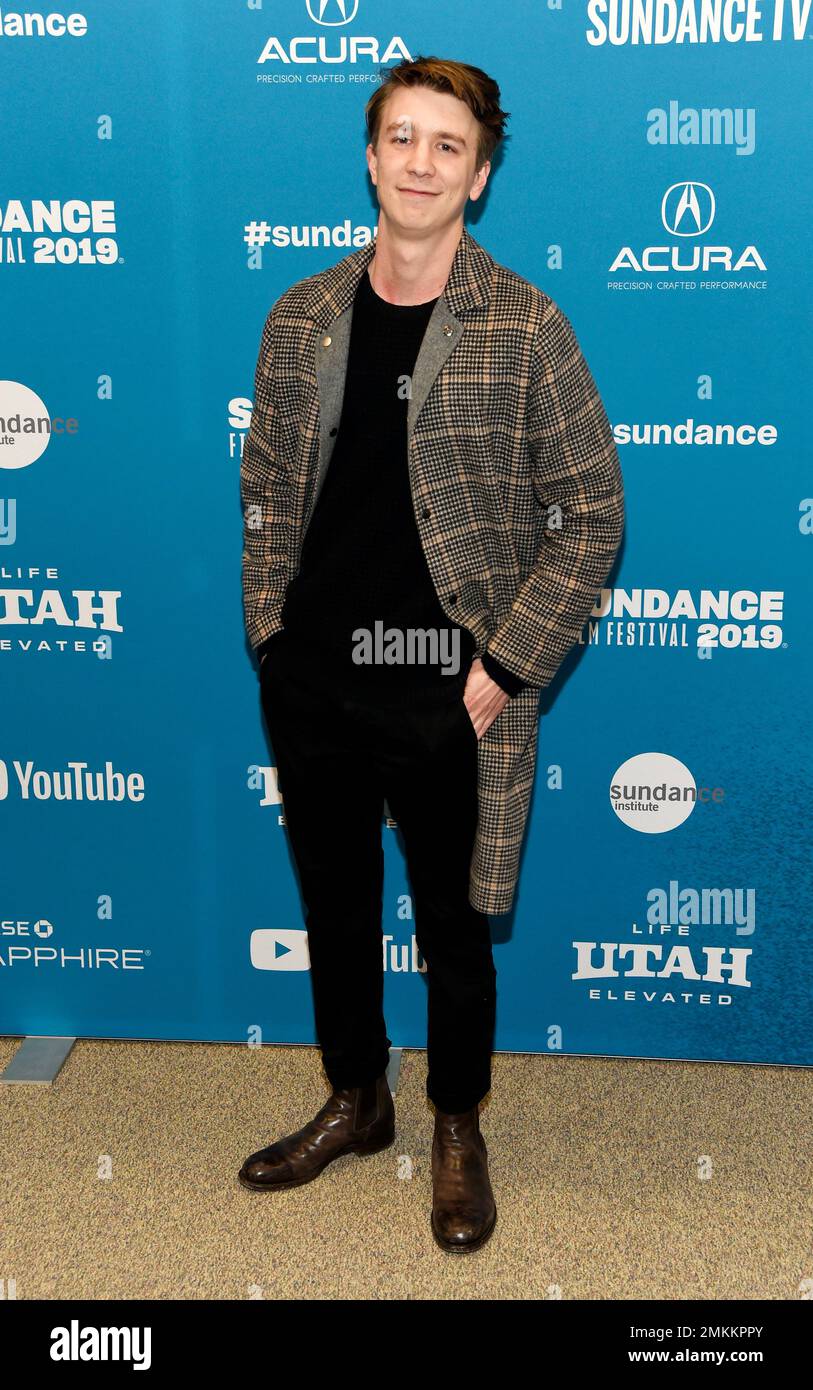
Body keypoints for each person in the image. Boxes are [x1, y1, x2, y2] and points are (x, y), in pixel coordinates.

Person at [238, 55, 624, 1253]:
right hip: (317, 677)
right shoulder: (302, 315)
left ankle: (457, 1123)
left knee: (456, 927)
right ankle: (356, 1099)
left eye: (446, 145)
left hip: (456, 687)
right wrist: (271, 631)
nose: (420, 162)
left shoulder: (524, 325)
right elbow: (262, 487)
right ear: (370, 157)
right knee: (338, 909)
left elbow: (593, 512)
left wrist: (502, 672)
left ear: (481, 173)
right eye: (401, 138)